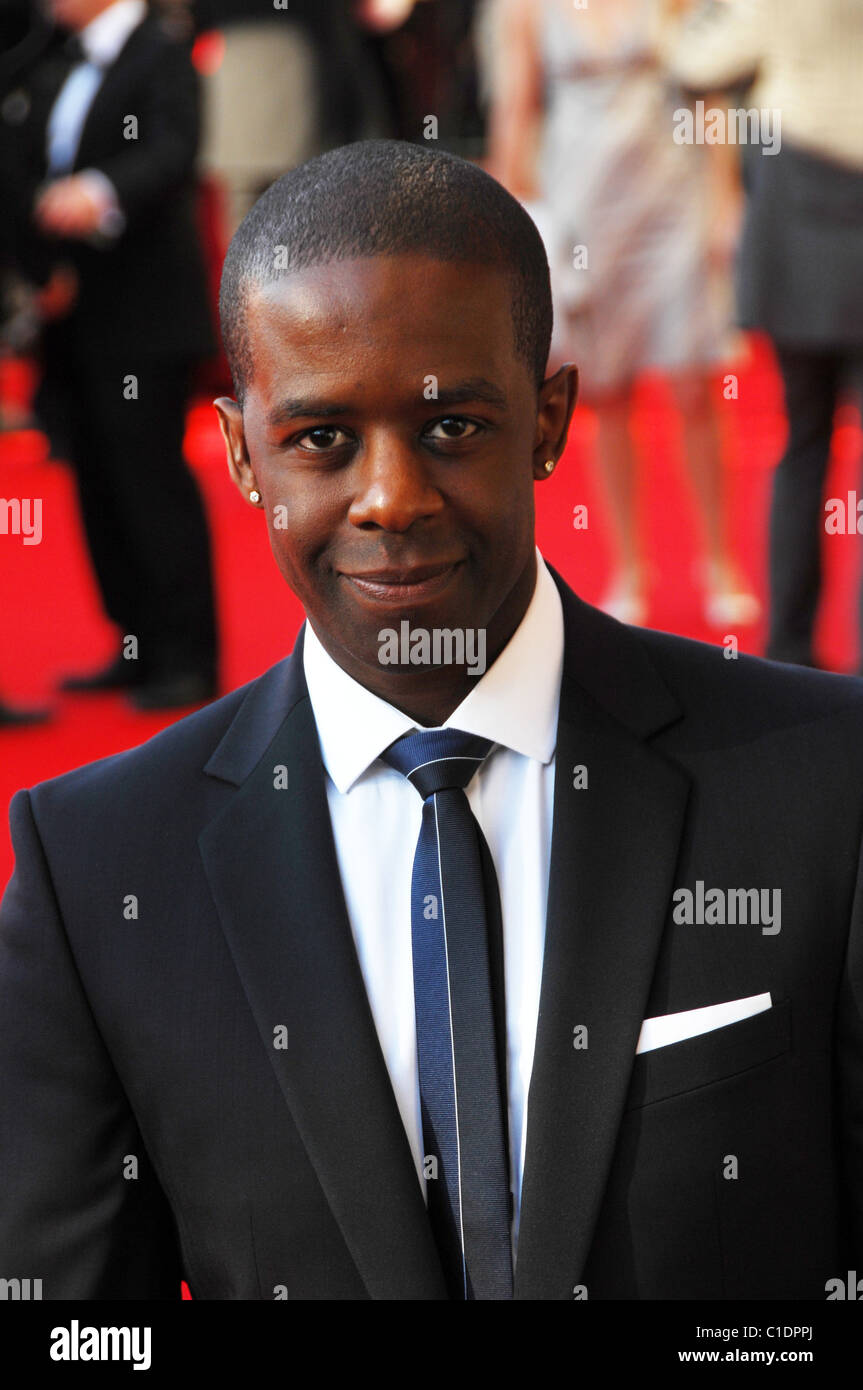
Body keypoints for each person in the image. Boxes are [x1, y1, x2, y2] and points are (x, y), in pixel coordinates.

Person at [0, 140, 860, 1300]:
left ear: (548, 417)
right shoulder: (97, 864)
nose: (391, 497)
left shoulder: (821, 780)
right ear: (242, 451)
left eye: (450, 424)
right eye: (320, 438)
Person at [485, 0, 759, 628]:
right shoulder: (525, 9)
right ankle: (629, 569)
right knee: (605, 392)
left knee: (695, 385)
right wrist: (507, 219)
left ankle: (721, 562)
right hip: (584, 209)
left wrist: (725, 196)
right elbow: (516, 109)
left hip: (672, 199)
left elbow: (707, 92)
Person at [11, 0, 219, 709]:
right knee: (96, 482)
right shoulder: (50, 59)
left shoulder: (160, 50)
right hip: (73, 314)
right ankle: (134, 643)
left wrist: (95, 194)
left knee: (150, 480)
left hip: (146, 312)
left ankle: (187, 655)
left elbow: (174, 150)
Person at [658, 0, 863, 668]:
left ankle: (792, 650)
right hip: (819, 208)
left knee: (803, 440)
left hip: (802, 215)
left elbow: (696, 60)